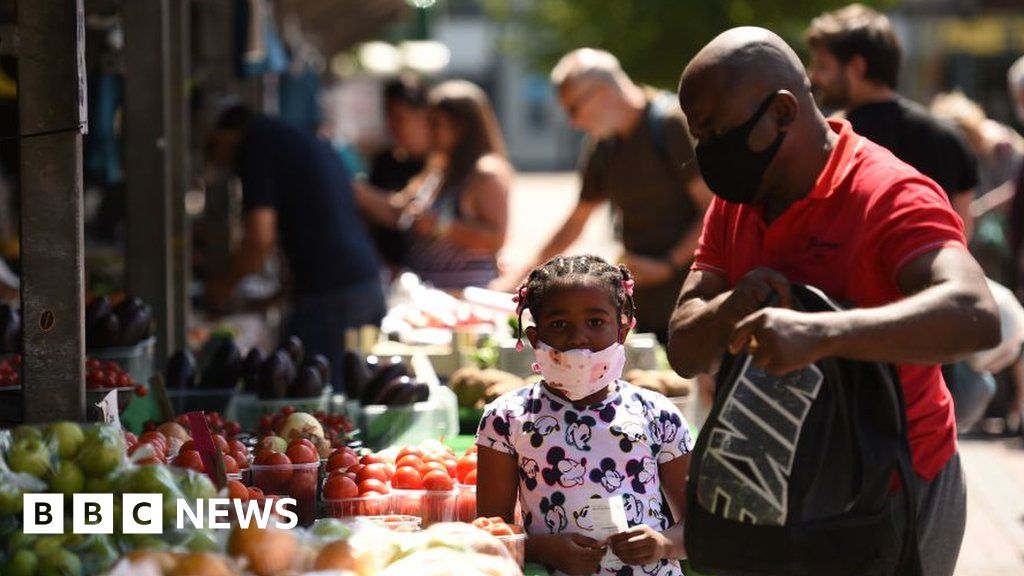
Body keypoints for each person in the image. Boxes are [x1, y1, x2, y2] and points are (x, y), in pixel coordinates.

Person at [669, 27, 999, 576]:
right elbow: (683, 346)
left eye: (717, 131)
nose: (706, 152)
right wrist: (730, 307)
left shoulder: (888, 194)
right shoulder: (737, 202)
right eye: (696, 134)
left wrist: (825, 334)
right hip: (770, 484)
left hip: (890, 490)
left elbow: (975, 312)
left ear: (780, 113)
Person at [476, 254, 693, 575]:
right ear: (535, 338)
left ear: (622, 332)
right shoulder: (506, 419)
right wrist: (543, 548)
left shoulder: (658, 414)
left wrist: (662, 544)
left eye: (595, 322)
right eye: (559, 324)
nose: (579, 337)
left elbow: (698, 528)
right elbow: (490, 535)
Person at [510, 49, 711, 343]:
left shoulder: (669, 124)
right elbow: (577, 220)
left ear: (601, 92)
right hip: (642, 303)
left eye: (573, 108)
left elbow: (713, 210)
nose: (572, 122)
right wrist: (525, 274)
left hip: (690, 299)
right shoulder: (602, 146)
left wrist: (667, 264)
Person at [205, 105, 385, 388]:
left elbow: (259, 238)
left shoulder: (256, 143)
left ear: (226, 137)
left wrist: (222, 289)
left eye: (213, 149)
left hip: (334, 296)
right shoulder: (295, 137)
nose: (218, 163)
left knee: (311, 402)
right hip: (363, 284)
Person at [806, 3, 979, 239]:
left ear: (856, 67)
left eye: (822, 66)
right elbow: (961, 234)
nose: (812, 75)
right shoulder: (948, 136)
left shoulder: (829, 139)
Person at [355, 80, 511, 290]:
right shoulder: (437, 168)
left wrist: (441, 227)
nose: (430, 131)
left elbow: (495, 239)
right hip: (429, 295)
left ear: (461, 127)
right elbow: (398, 210)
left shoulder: (484, 174)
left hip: (464, 297)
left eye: (436, 123)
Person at [366, 75, 433, 271]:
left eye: (399, 118)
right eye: (388, 117)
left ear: (424, 115)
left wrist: (356, 191)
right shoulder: (385, 162)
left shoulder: (441, 164)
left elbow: (402, 213)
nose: (391, 126)